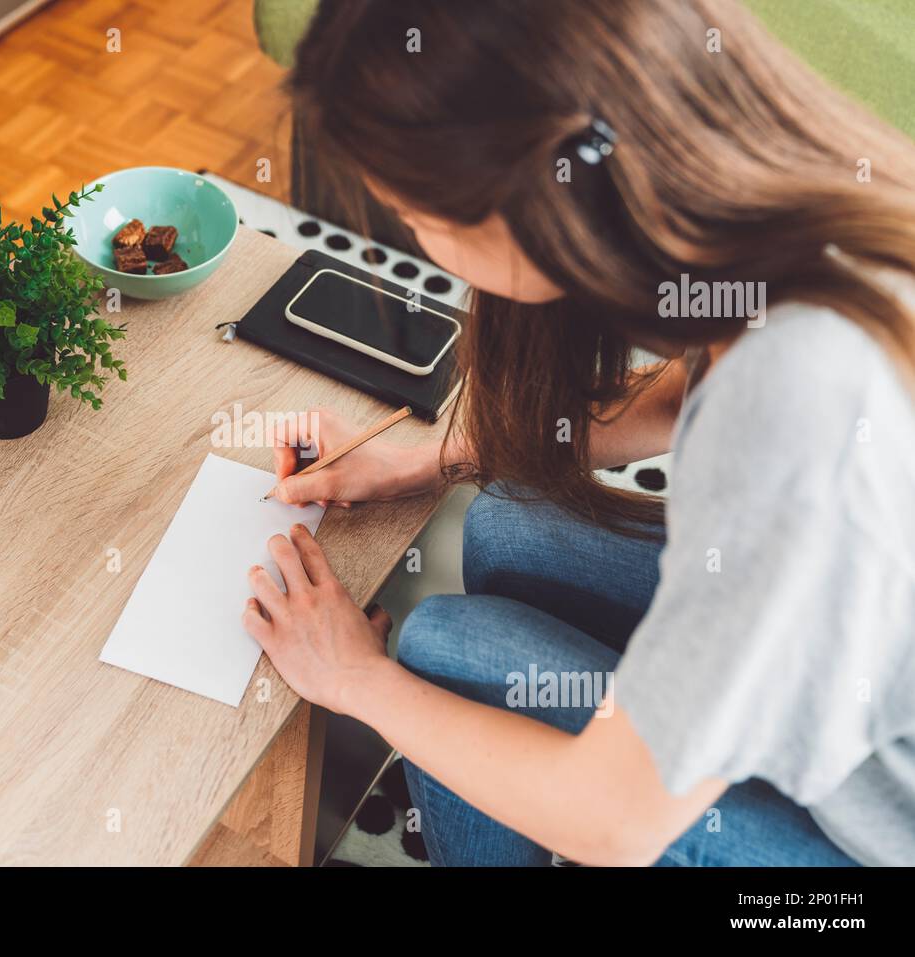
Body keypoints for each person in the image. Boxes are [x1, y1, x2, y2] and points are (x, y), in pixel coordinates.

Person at [243, 0, 915, 866]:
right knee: (507, 520)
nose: (408, 234)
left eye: (410, 217)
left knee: (444, 649)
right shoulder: (797, 209)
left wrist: (353, 678)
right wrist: (426, 462)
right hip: (863, 679)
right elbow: (681, 397)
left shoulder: (792, 412)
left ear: (525, 203)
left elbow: (613, 822)